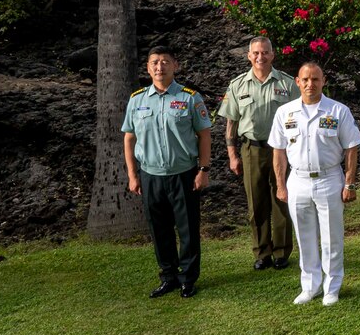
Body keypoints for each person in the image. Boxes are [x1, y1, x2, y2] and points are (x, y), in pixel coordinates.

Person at [122, 45, 213, 299]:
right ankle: (168, 276)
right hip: (150, 176)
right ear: (148, 68)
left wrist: (203, 169)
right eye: (154, 62)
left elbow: (204, 134)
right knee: (159, 229)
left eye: (165, 62)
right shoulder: (137, 99)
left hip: (183, 173)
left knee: (187, 229)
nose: (159, 67)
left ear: (175, 65)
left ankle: (188, 278)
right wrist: (132, 174)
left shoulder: (189, 97)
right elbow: (129, 138)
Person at [269, 62, 360, 306]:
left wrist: (349, 183)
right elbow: (278, 151)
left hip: (329, 178)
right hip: (298, 180)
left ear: (324, 81)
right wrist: (281, 185)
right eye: (305, 80)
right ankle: (310, 286)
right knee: (304, 235)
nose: (311, 84)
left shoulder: (338, 111)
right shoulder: (285, 112)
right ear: (297, 82)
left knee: (332, 237)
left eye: (316, 80)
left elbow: (351, 148)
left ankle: (332, 287)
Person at [218, 36, 298, 272]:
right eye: (256, 53)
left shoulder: (287, 84)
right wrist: (233, 155)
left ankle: (282, 252)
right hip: (252, 150)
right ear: (249, 56)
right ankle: (262, 252)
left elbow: (298, 116)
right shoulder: (238, 85)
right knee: (256, 203)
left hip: (281, 150)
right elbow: (231, 123)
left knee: (281, 199)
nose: (260, 57)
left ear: (272, 55)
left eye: (265, 52)